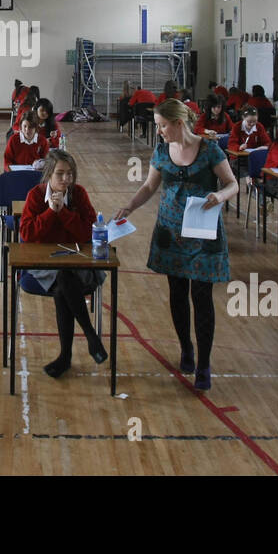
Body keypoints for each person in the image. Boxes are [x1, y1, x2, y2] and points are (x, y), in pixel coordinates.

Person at [115, 99, 239, 390]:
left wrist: (219, 197)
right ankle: (186, 347)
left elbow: (233, 183)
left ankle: (204, 364)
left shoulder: (209, 149)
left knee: (202, 296)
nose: (159, 132)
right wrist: (129, 207)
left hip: (203, 232)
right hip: (171, 230)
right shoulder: (161, 151)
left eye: (162, 126)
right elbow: (148, 186)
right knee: (178, 292)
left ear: (178, 123)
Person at [18, 150, 107, 378]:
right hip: (44, 264)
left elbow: (87, 232)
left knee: (64, 283)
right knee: (64, 280)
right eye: (60, 174)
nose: (66, 179)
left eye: (70, 174)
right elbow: (27, 234)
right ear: (48, 174)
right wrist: (50, 212)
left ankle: (65, 356)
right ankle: (90, 335)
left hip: (76, 261)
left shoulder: (79, 194)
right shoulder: (35, 196)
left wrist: (64, 213)